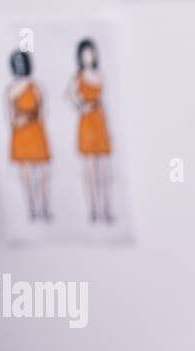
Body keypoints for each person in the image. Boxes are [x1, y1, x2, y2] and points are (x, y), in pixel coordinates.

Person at [67, 38, 113, 223]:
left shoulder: (100, 74)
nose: (88, 57)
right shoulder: (77, 77)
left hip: (99, 122)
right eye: (84, 53)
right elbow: (69, 95)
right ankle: (93, 210)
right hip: (86, 124)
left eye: (90, 53)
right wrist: (80, 106)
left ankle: (105, 209)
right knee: (90, 171)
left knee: (104, 171)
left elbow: (107, 100)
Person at [5, 49, 51, 221]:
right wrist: (21, 120)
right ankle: (32, 209)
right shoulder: (11, 90)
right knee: (27, 176)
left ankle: (44, 207)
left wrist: (29, 117)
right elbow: (10, 118)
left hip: (36, 134)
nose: (19, 66)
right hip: (21, 136)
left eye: (21, 62)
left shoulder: (35, 87)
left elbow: (42, 111)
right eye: (16, 62)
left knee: (42, 174)